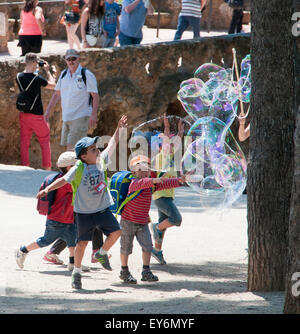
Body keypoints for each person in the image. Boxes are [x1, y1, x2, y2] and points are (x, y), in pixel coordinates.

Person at [37, 115, 127, 289]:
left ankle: (101, 253)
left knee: (116, 233)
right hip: (84, 213)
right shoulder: (78, 168)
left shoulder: (101, 162)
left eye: (96, 148)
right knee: (82, 244)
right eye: (93, 149)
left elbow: (113, 144)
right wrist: (47, 189)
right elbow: (63, 180)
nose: (97, 151)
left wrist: (119, 128)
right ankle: (76, 273)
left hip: (102, 209)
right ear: (84, 156)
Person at [119, 154, 186, 284]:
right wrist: (152, 181)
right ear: (133, 172)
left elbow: (165, 183)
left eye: (146, 169)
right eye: (140, 169)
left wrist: (178, 181)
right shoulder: (134, 183)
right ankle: (124, 271)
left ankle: (146, 271)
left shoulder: (151, 185)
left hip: (143, 222)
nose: (144, 172)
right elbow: (142, 183)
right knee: (126, 248)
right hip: (128, 222)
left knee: (148, 247)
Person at [15, 151, 78, 271]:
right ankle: (22, 250)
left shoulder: (63, 179)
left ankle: (72, 263)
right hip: (57, 219)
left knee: (72, 240)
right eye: (77, 167)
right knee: (45, 241)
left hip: (68, 217)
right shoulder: (66, 182)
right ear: (70, 167)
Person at [44, 49, 99, 151]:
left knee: (72, 147)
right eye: (68, 59)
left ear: (78, 59)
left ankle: (74, 166)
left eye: (73, 58)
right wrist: (47, 111)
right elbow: (56, 94)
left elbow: (95, 95)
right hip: (66, 117)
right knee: (71, 148)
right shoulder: (64, 74)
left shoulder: (86, 74)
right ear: (66, 61)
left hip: (80, 116)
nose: (71, 61)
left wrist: (94, 114)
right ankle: (80, 166)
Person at [150, 116, 184, 265]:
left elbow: (173, 144)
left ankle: (156, 251)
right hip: (161, 196)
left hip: (167, 196)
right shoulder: (160, 157)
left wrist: (180, 133)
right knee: (176, 220)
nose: (170, 145)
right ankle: (155, 227)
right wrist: (166, 128)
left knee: (163, 226)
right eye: (166, 144)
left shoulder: (169, 157)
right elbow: (165, 142)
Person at [16, 53, 56, 170]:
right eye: (37, 62)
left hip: (23, 114)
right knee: (44, 140)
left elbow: (29, 79)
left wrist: (37, 70)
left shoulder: (18, 76)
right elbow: (53, 85)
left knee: (24, 142)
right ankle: (47, 167)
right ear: (34, 62)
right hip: (36, 115)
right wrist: (48, 71)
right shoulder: (37, 79)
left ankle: (25, 166)